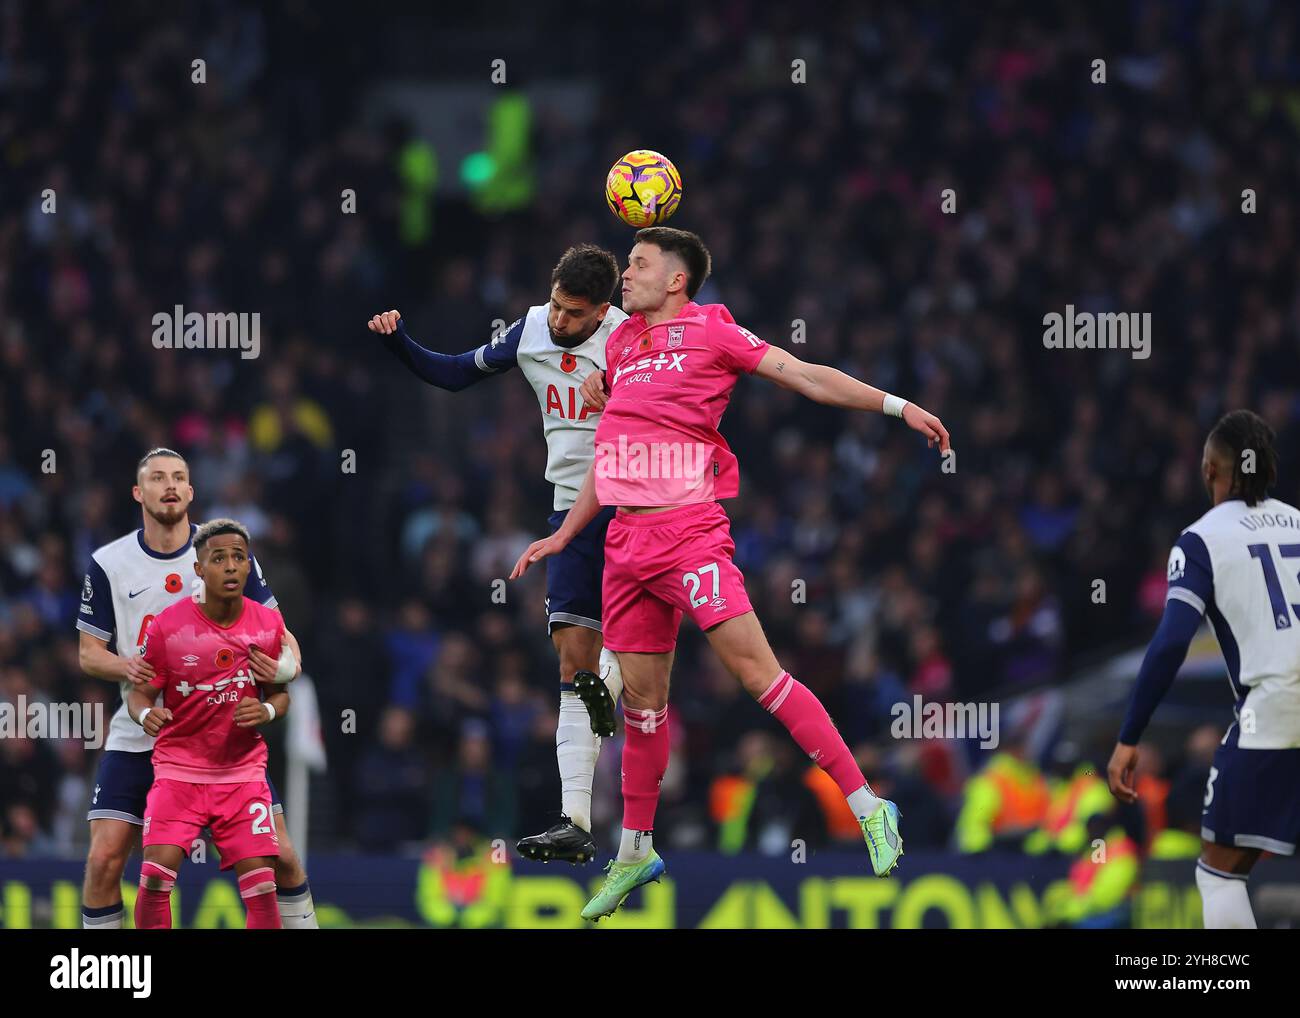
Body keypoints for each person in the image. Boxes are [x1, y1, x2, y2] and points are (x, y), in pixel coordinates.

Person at [512, 227, 951, 919]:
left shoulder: (713, 331)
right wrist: (565, 534)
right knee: (645, 711)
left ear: (677, 280)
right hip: (625, 544)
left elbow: (806, 375)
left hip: (688, 535)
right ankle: (634, 853)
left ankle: (869, 804)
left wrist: (897, 406)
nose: (626, 274)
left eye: (639, 264)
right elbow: (612, 452)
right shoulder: (622, 345)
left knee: (759, 678)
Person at [368, 244, 628, 863]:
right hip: (569, 508)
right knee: (570, 660)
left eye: (575, 314)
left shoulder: (630, 340)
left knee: (633, 660)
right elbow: (455, 372)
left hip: (629, 501)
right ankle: (575, 821)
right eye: (557, 305)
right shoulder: (533, 328)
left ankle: (629, 814)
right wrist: (400, 342)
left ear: (603, 312)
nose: (561, 321)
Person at [77, 448, 316, 928]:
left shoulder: (220, 553)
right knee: (105, 859)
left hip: (221, 742)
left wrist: (284, 670)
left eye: (179, 477)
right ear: (138, 492)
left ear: (190, 491)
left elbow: (281, 637)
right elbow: (88, 653)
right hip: (142, 733)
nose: (169, 485)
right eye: (157, 478)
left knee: (283, 857)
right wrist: (133, 669)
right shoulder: (109, 563)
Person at [1107, 410, 1300, 928]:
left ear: (1211, 471)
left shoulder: (1201, 540)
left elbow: (1171, 643)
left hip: (1276, 710)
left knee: (1219, 874)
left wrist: (1130, 735)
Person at [129, 519, 289, 929]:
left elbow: (280, 694)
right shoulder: (169, 627)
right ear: (199, 570)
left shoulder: (267, 626)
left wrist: (267, 712)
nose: (232, 567)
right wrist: (148, 715)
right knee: (153, 878)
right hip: (179, 770)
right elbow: (139, 694)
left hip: (241, 774)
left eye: (239, 557)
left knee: (263, 886)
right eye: (219, 559)